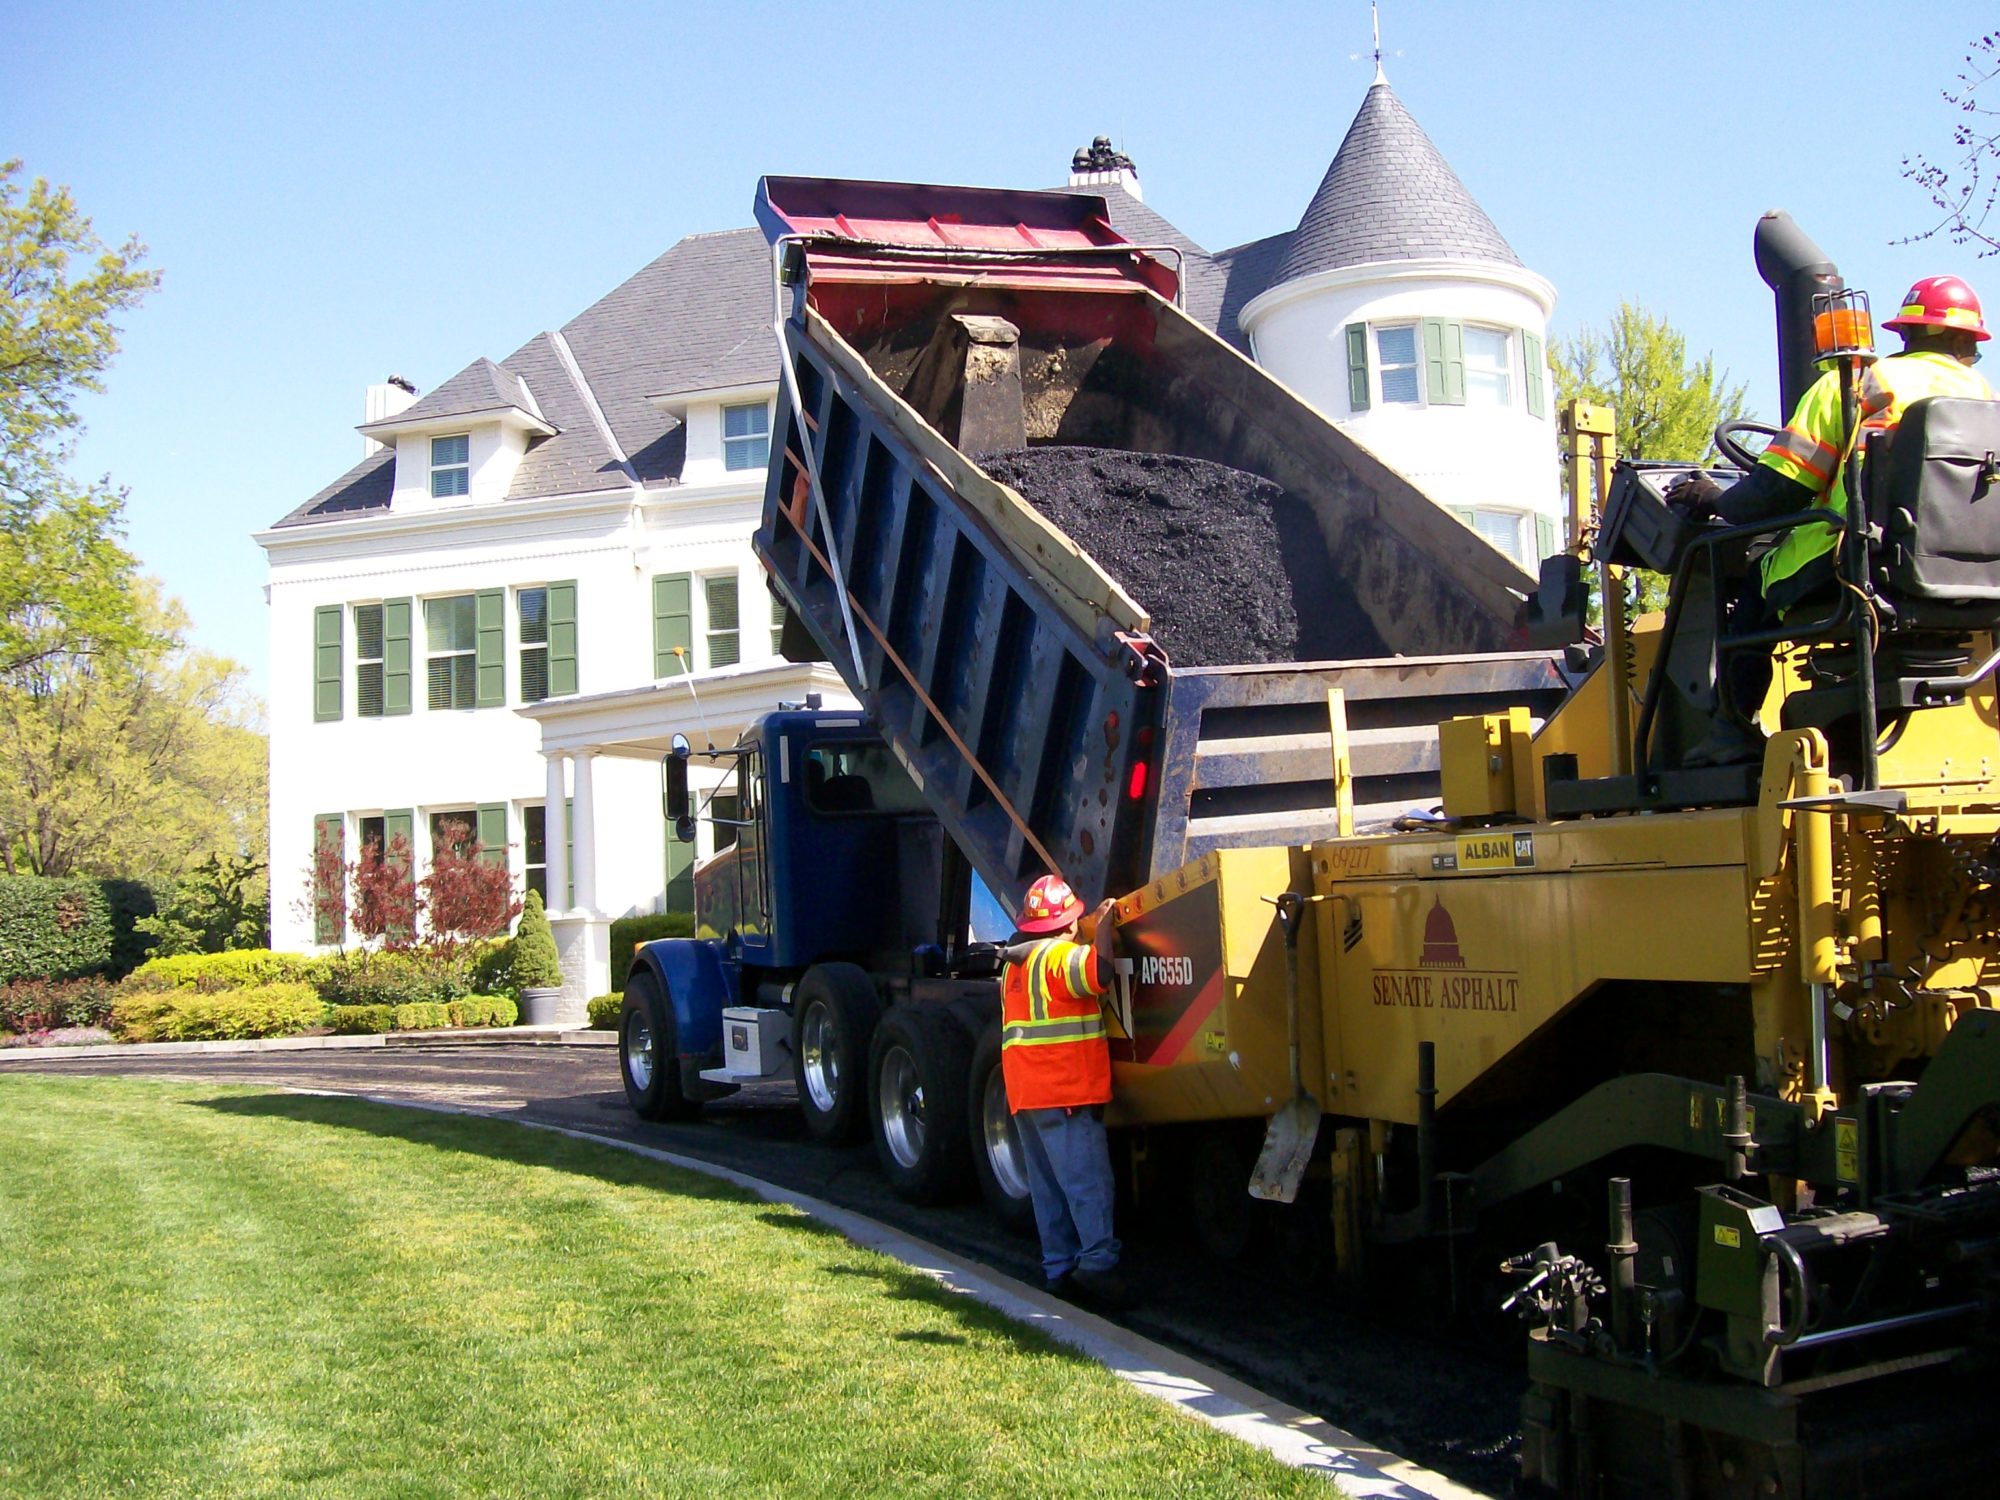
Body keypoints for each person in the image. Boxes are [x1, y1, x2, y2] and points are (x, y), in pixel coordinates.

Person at [1667, 275, 1995, 760]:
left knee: (1755, 581)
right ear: (1965, 342)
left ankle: (1731, 732)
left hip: (1859, 565)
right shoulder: (1985, 400)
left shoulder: (1859, 382)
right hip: (1971, 582)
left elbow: (1778, 492)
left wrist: (1713, 498)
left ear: (1905, 334)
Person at [999, 873, 1136, 1310]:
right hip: (1067, 1093)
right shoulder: (1058, 957)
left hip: (1027, 1093)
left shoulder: (1013, 966)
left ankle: (1058, 1270)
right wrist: (1107, 926)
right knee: (1087, 1181)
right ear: (1070, 923)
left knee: (1048, 1187)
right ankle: (1097, 1268)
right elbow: (1099, 973)